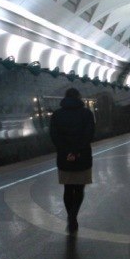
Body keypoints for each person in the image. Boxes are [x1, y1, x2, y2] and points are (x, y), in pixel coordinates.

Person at [50, 87, 95, 233]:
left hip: (64, 158)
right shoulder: (86, 113)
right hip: (83, 157)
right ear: (79, 97)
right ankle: (73, 216)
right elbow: (89, 135)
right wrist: (76, 152)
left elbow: (54, 136)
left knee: (68, 188)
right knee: (79, 189)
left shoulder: (56, 115)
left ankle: (71, 216)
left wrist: (67, 152)